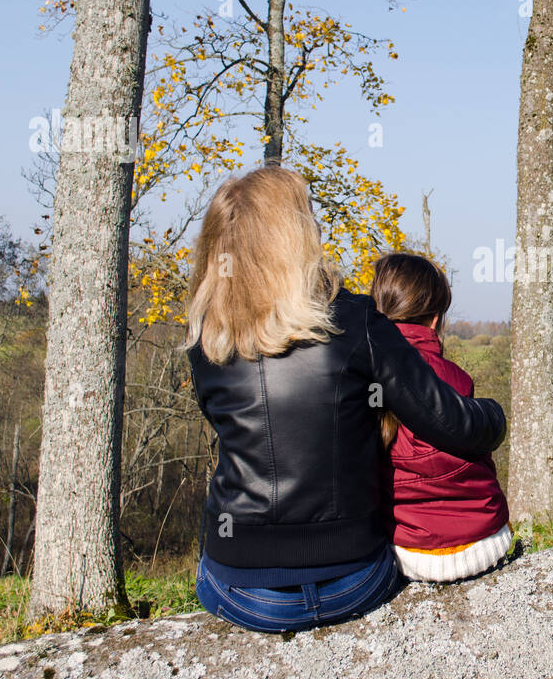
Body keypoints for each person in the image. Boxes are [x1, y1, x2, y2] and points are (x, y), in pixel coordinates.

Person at [184, 167, 506, 633]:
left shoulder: (205, 341)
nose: (316, 228)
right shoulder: (358, 322)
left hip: (243, 589)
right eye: (309, 218)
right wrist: (494, 416)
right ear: (293, 238)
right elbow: (449, 422)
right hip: (355, 578)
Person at [370, 253, 512, 582]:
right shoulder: (456, 378)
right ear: (435, 319)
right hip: (483, 541)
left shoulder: (356, 377)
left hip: (404, 552)